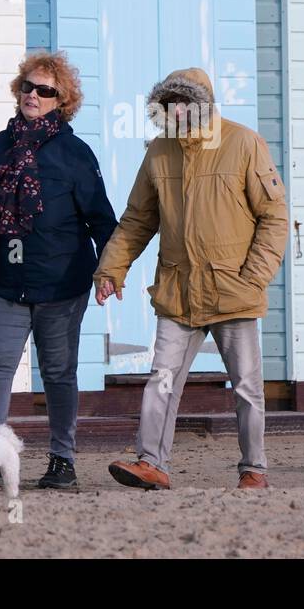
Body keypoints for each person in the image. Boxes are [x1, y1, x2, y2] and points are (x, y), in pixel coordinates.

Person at [93, 67, 288, 490]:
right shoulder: (159, 152)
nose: (177, 111)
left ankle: (254, 470)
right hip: (177, 291)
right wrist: (111, 268)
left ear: (203, 105)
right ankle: (151, 464)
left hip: (233, 290)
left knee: (247, 389)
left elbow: (274, 217)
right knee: (161, 380)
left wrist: (253, 278)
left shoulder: (243, 142)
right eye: (169, 104)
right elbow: (136, 221)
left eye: (185, 103)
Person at [0, 51, 117, 490]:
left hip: (62, 283)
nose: (33, 94)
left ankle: (62, 460)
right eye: (28, 86)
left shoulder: (75, 153)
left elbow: (101, 219)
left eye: (45, 90)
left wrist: (110, 271)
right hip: (5, 281)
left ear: (60, 101)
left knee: (59, 372)